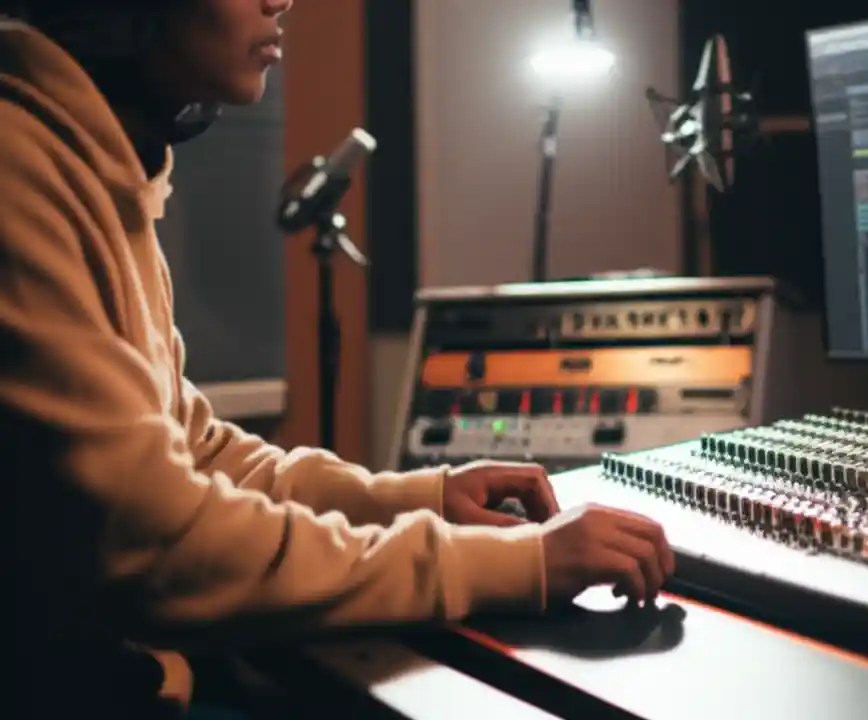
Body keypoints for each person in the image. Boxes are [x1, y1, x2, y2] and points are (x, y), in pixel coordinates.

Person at [0, 0, 674, 716]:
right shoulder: (19, 168)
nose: (281, 0)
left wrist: (417, 500)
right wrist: (519, 564)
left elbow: (194, 452)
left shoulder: (91, 161)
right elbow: (163, 543)